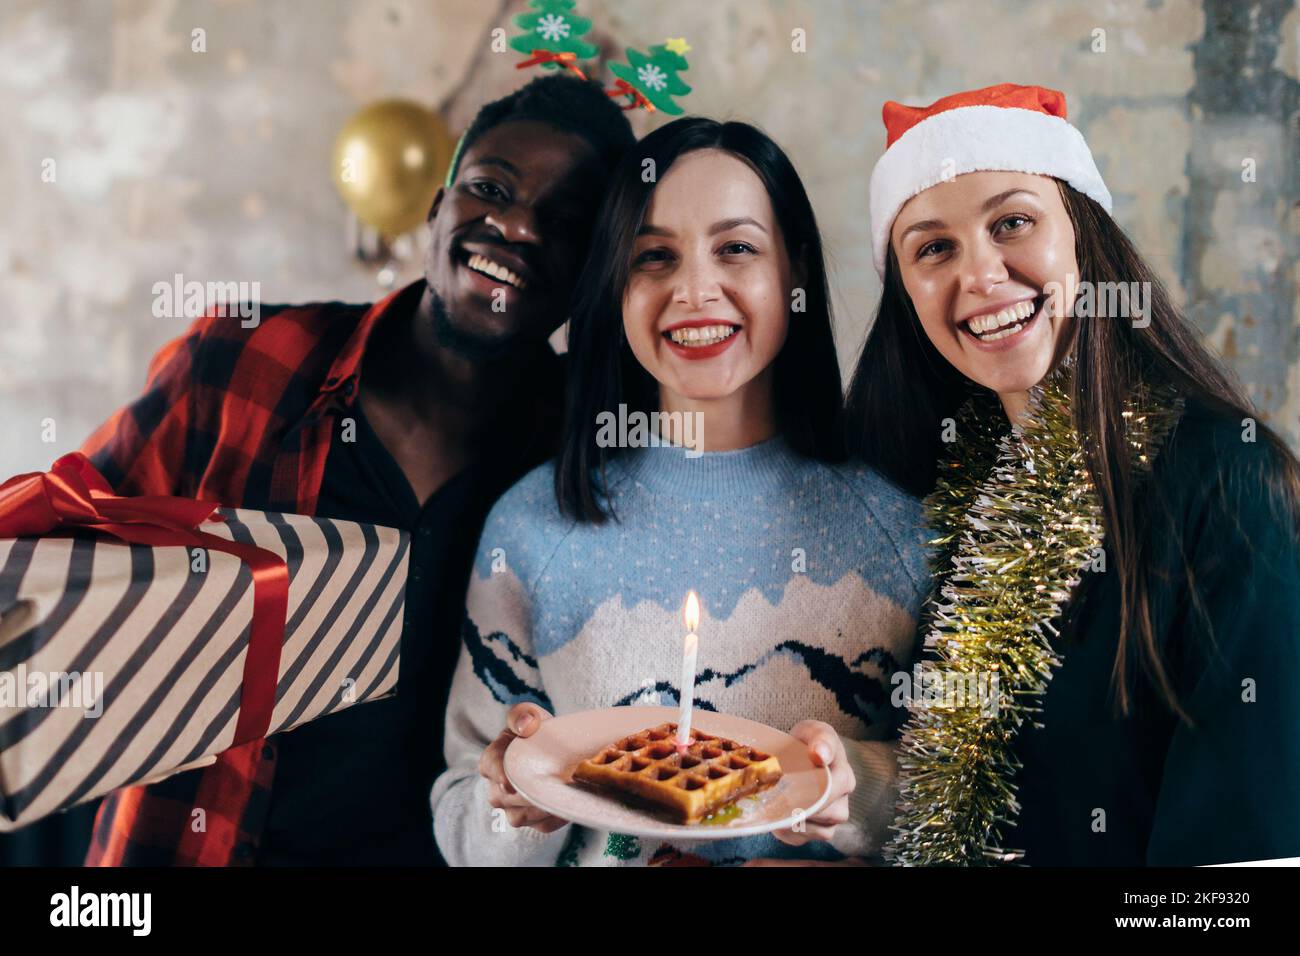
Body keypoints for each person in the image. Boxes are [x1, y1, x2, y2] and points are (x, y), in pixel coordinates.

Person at [75, 74, 635, 866]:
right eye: (489, 188)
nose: (513, 225)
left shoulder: (585, 462)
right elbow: (61, 548)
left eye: (566, 222)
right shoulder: (239, 365)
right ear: (438, 206)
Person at [431, 118, 932, 867]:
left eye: (736, 248)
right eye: (655, 257)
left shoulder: (901, 522)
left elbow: (973, 804)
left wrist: (848, 788)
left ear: (794, 270)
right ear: (616, 286)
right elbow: (463, 826)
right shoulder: (534, 527)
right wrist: (518, 805)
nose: (695, 290)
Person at [846, 83, 1300, 865]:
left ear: (1084, 235)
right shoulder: (965, 498)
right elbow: (998, 817)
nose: (981, 273)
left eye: (1012, 222)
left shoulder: (1227, 477)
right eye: (933, 247)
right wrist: (836, 789)